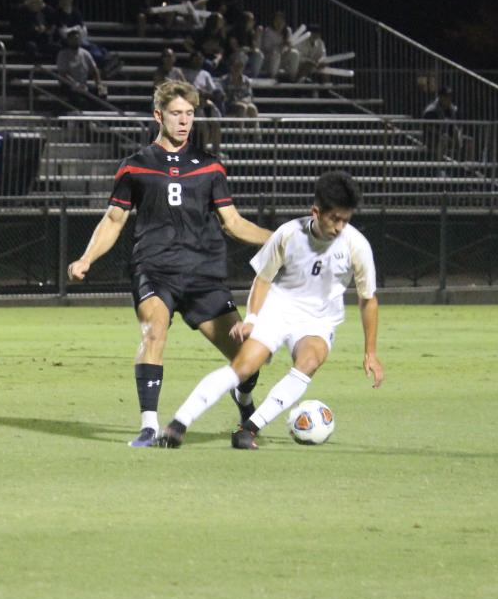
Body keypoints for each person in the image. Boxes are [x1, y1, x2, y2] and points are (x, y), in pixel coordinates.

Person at [66, 81, 275, 446]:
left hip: (203, 275)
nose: (184, 121)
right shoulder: (134, 167)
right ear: (158, 116)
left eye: (190, 114)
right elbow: (114, 219)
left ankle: (243, 401)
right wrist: (86, 258)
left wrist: (282, 239)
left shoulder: (210, 168)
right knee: (154, 332)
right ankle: (149, 426)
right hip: (154, 268)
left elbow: (234, 223)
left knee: (249, 357)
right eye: (177, 113)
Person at [157, 171, 383, 449]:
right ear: (316, 212)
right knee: (243, 366)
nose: (339, 227)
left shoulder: (356, 246)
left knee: (309, 362)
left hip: (318, 320)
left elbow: (368, 299)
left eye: (345, 220)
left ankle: (248, 429)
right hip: (278, 308)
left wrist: (370, 352)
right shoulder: (288, 234)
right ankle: (178, 424)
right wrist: (251, 318)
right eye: (334, 218)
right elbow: (263, 279)